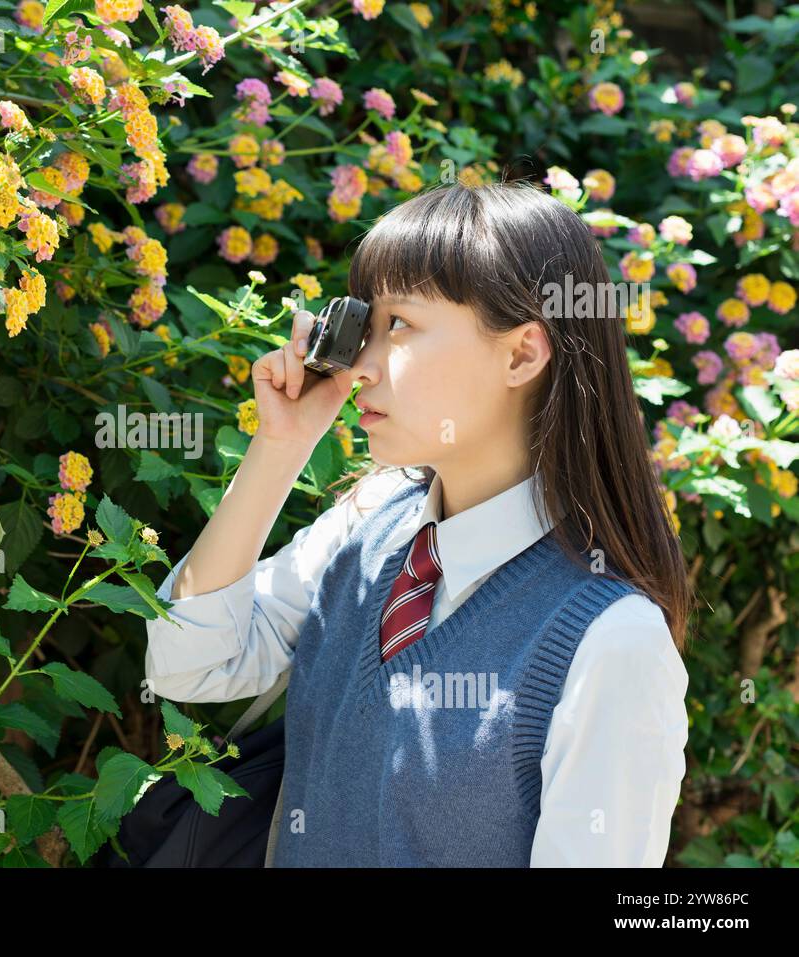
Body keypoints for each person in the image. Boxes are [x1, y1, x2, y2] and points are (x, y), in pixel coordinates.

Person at [143, 179, 692, 867]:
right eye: (363, 329)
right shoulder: (370, 523)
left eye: (398, 325)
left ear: (521, 353)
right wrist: (279, 446)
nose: (361, 369)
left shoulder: (612, 641)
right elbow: (185, 665)